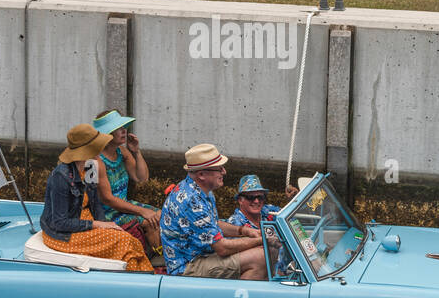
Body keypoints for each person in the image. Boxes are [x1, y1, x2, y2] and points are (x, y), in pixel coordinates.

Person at [39, 124, 153, 273]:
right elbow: (60, 223)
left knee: (132, 242)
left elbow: (95, 202)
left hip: (86, 225)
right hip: (64, 235)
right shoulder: (61, 176)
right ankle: (141, 279)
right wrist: (98, 225)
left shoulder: (90, 166)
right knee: (126, 244)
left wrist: (106, 225)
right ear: (88, 150)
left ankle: (144, 277)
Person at [159, 144, 269, 279]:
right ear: (201, 175)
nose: (224, 172)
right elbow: (222, 248)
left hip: (203, 255)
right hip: (187, 267)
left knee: (260, 251)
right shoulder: (191, 201)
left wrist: (244, 231)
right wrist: (262, 240)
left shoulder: (203, 190)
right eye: (219, 169)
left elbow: (213, 223)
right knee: (261, 257)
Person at [92, 109, 160, 231]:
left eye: (124, 127)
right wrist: (142, 211)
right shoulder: (96, 160)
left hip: (125, 206)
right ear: (107, 133)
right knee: (150, 221)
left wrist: (137, 152)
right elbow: (107, 199)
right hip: (107, 213)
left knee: (161, 214)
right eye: (118, 128)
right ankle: (155, 250)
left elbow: (142, 178)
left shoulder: (122, 152)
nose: (124, 131)